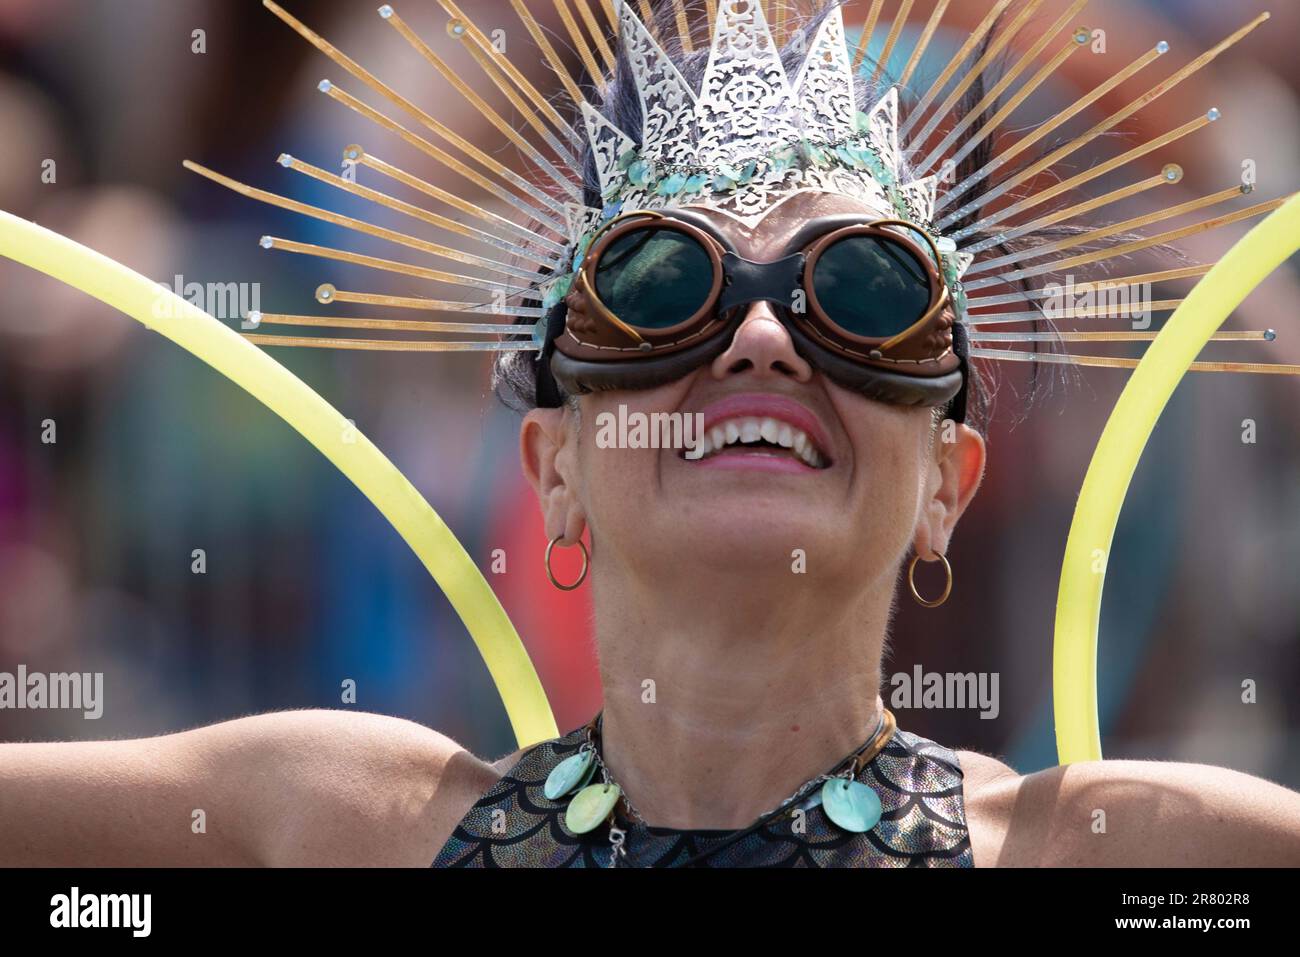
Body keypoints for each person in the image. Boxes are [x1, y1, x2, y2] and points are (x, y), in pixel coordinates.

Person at [4, 0, 1300, 868]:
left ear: (947, 486)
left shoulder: (1117, 854)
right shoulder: (341, 820)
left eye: (859, 291)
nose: (764, 338)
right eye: (656, 287)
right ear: (552, 467)